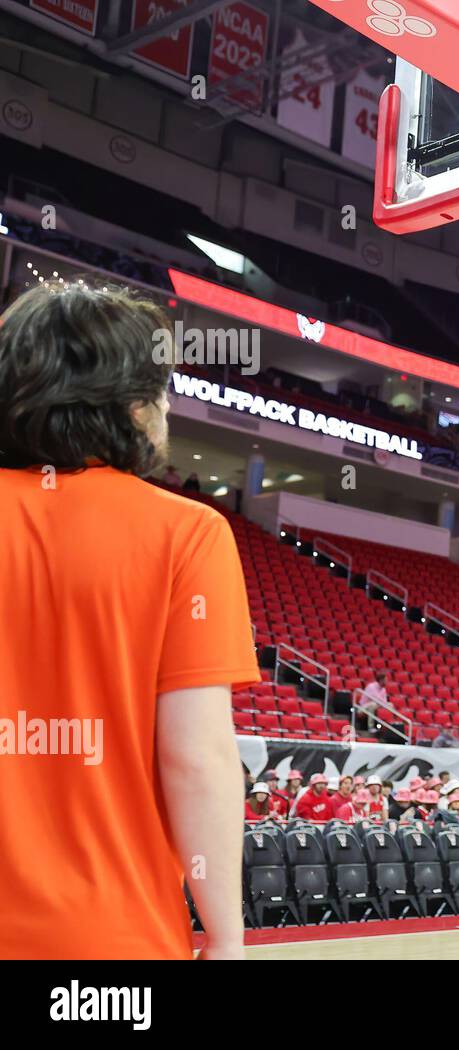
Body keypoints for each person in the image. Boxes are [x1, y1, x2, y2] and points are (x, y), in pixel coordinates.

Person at [0, 283, 260, 960]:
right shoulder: (187, 533)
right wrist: (226, 937)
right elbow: (195, 757)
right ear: (133, 407)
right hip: (108, 950)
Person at [356, 670, 388, 735]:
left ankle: (386, 727)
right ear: (381, 680)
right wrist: (383, 703)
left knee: (390, 705)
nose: (386, 682)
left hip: (377, 705)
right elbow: (376, 699)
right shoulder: (371, 686)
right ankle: (370, 727)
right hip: (363, 707)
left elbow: (384, 701)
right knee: (373, 705)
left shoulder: (383, 689)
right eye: (385, 680)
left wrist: (385, 704)